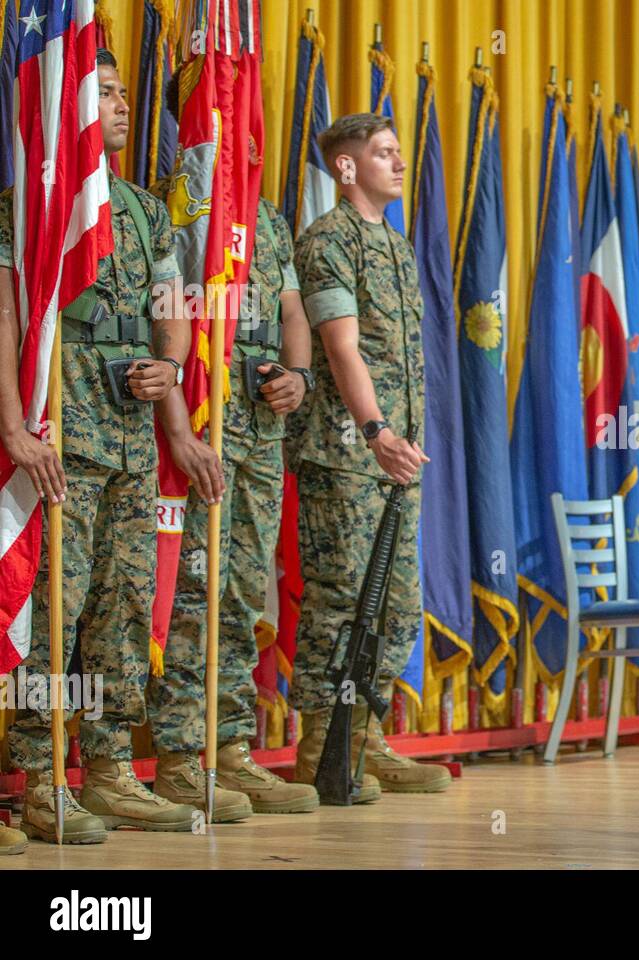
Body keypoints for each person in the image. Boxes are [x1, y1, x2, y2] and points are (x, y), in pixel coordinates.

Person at [0, 49, 194, 844]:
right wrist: (14, 424)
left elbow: (173, 303)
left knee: (120, 609)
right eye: (103, 94)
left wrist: (171, 367)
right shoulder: (32, 205)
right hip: (63, 436)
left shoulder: (147, 210)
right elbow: (9, 320)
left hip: (131, 439)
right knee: (57, 613)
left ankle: (110, 768)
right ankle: (42, 772)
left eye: (122, 94)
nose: (119, 106)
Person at [143, 76, 320, 820]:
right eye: (229, 123)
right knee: (194, 591)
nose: (244, 140)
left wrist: (301, 377)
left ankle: (234, 749)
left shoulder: (270, 221)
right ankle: (183, 755)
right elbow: (166, 325)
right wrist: (181, 425)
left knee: (245, 590)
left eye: (251, 126)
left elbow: (291, 312)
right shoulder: (179, 212)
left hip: (258, 427)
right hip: (196, 424)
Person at [287, 113, 449, 795]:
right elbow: (339, 345)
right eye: (383, 153)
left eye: (399, 150)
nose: (399, 162)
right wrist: (376, 430)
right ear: (346, 167)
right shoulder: (329, 241)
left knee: (397, 604)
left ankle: (366, 737)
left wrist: (399, 441)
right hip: (348, 450)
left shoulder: (397, 244)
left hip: (395, 460)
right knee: (342, 599)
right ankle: (322, 744)